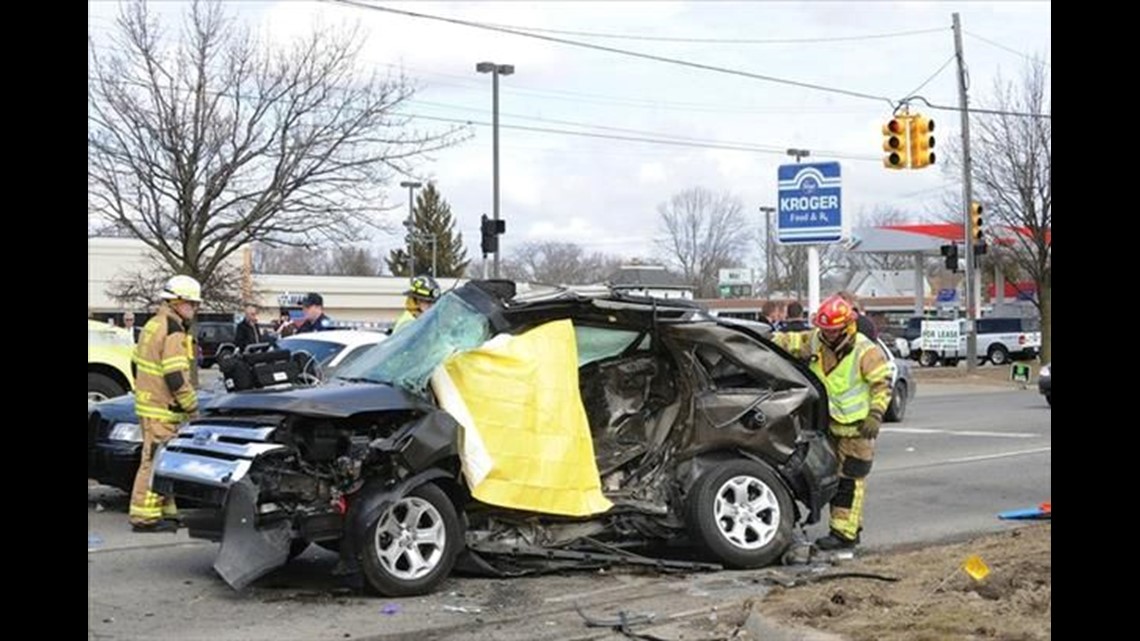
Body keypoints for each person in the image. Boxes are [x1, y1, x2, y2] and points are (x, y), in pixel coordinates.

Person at [770, 293, 893, 551]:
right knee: (832, 480)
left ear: (847, 326)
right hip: (829, 426)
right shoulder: (817, 340)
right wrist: (765, 338)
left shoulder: (865, 351)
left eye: (833, 331)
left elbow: (881, 385)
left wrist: (875, 415)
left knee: (850, 482)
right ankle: (847, 527)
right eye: (824, 330)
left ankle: (845, 534)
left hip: (858, 429)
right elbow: (792, 342)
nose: (828, 335)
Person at [129, 275, 202, 533]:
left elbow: (135, 363)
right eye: (192, 304)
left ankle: (167, 511)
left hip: (148, 404)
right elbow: (175, 376)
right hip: (161, 408)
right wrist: (192, 406)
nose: (194, 309)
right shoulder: (173, 330)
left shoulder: (152, 325)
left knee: (162, 459)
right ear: (178, 302)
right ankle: (144, 517)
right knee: (154, 461)